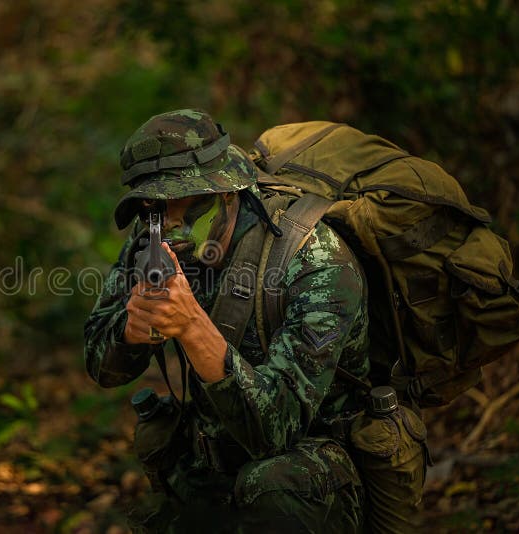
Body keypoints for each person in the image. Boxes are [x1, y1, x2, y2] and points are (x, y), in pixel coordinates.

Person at [83, 109, 371, 532]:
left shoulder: (315, 260)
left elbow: (277, 429)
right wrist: (131, 332)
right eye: (152, 205)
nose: (166, 221)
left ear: (226, 195)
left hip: (311, 477)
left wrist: (193, 327)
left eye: (178, 202)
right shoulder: (158, 238)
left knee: (273, 485)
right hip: (213, 464)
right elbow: (99, 363)